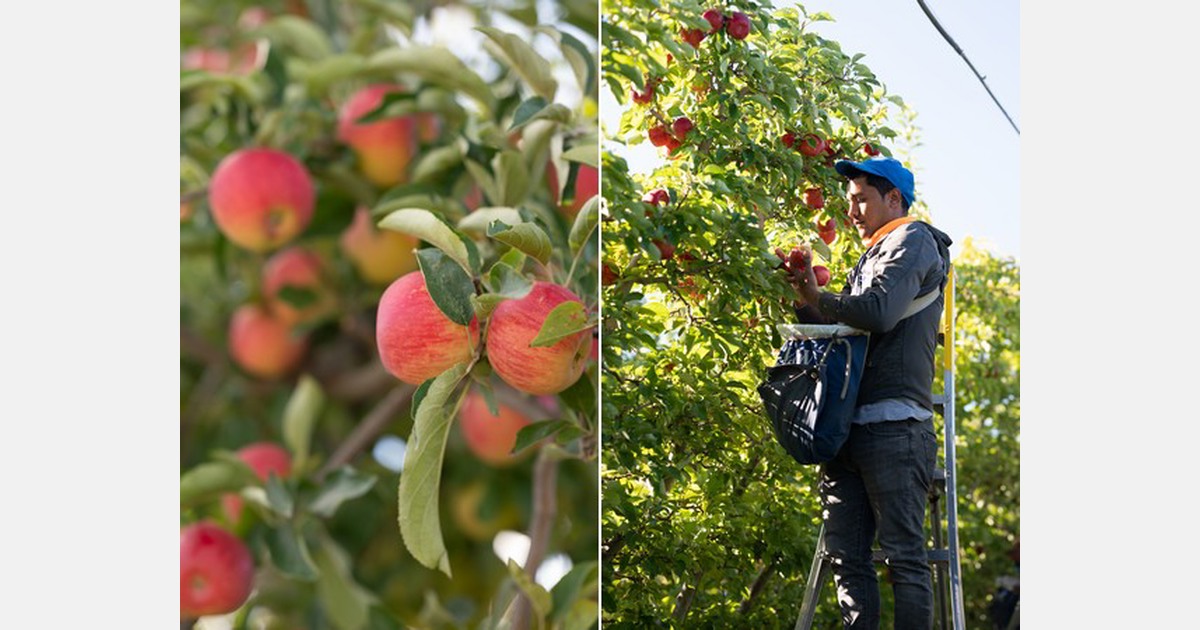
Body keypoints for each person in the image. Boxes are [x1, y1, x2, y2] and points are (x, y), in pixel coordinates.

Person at [786, 156, 953, 629]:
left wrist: (821, 298)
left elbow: (878, 313)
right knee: (846, 558)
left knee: (904, 558)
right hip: (847, 433)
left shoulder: (913, 240)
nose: (852, 212)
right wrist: (803, 299)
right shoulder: (871, 257)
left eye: (861, 200)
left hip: (896, 429)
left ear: (893, 199)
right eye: (849, 202)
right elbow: (845, 329)